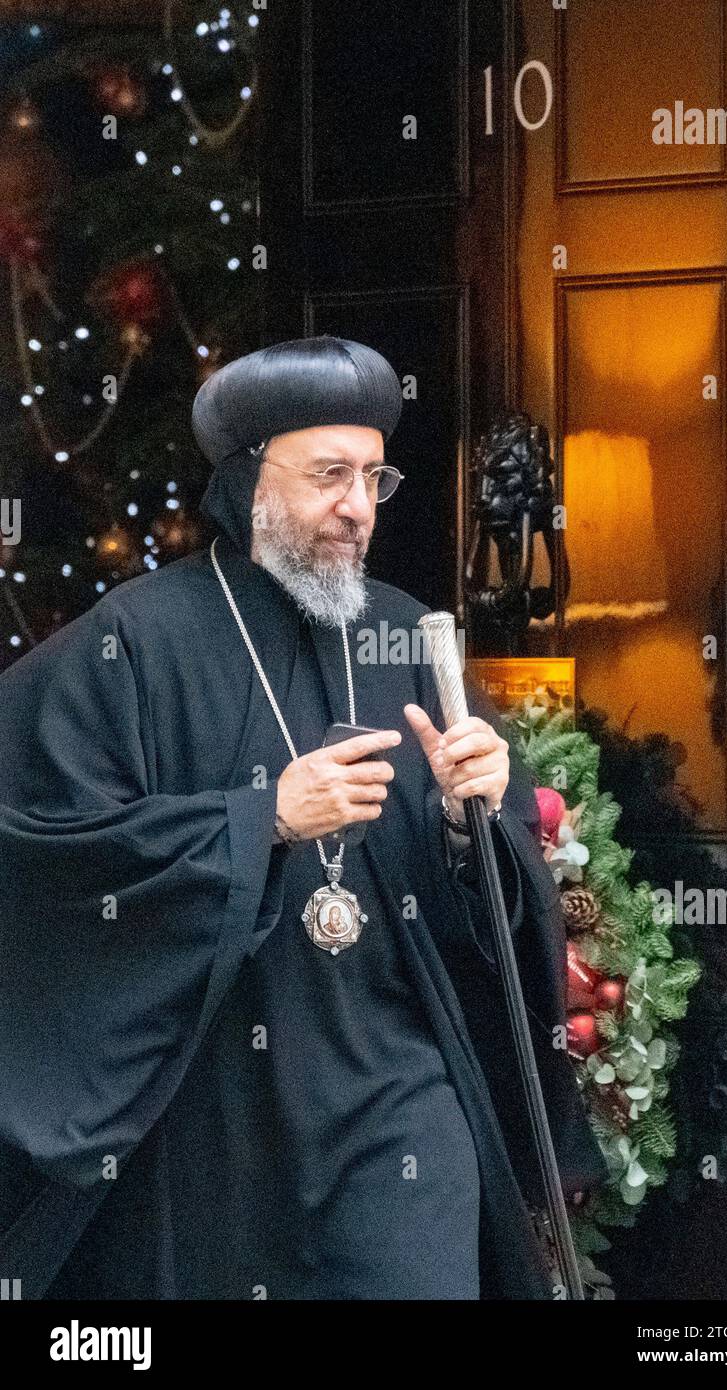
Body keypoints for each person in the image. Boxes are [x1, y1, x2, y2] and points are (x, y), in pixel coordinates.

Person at [0, 335, 606, 1301]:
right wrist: (258, 821)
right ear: (247, 482)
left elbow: (485, 917)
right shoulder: (135, 641)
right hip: (219, 1114)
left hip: (398, 1094)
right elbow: (44, 853)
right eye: (329, 474)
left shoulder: (410, 634)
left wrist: (473, 823)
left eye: (374, 476)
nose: (359, 507)